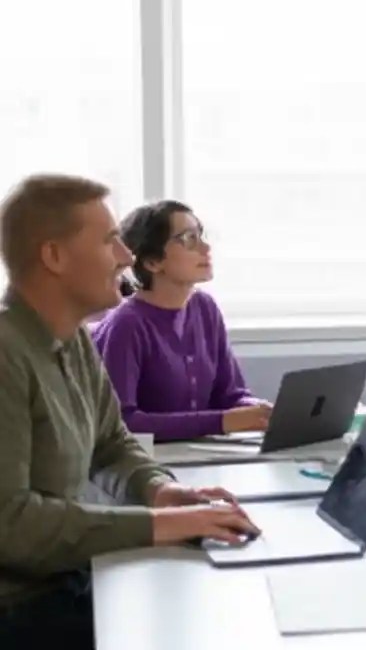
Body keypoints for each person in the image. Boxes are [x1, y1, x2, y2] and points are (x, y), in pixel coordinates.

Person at [0, 175, 260, 648]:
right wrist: (160, 526)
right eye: (108, 240)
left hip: (71, 580)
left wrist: (163, 492)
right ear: (53, 256)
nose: (125, 255)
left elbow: (113, 443)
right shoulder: (5, 353)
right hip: (22, 609)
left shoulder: (74, 337)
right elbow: (11, 523)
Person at [91, 201, 270, 442]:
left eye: (202, 236)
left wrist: (260, 411)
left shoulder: (205, 308)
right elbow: (123, 423)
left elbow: (230, 395)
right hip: (150, 465)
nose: (205, 248)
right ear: (152, 262)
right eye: (188, 239)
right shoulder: (126, 325)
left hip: (200, 456)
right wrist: (222, 421)